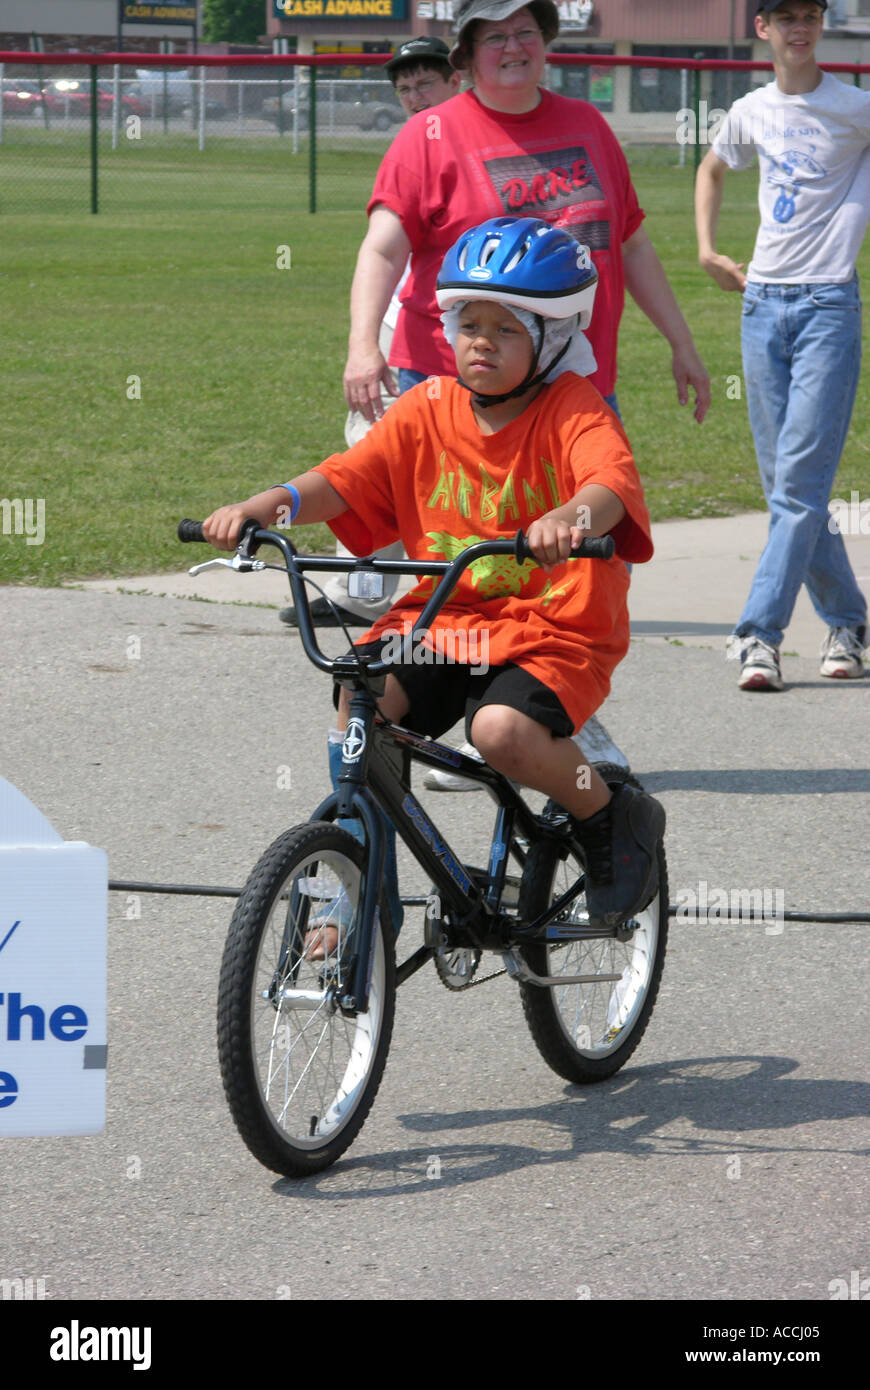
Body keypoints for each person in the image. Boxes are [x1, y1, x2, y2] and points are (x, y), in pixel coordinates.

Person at [202, 216, 666, 955]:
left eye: (505, 330)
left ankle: (612, 818)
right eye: (468, 323)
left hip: (553, 623)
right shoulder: (426, 409)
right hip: (446, 618)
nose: (480, 341)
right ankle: (361, 889)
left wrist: (567, 518)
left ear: (553, 337)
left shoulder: (574, 407)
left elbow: (609, 483)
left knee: (501, 733)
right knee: (363, 696)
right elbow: (346, 480)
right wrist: (269, 506)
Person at [343, 0, 711, 778]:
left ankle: (540, 715)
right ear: (467, 56)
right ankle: (471, 712)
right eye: (493, 37)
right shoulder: (430, 133)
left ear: (545, 44)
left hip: (570, 388)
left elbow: (631, 239)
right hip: (453, 389)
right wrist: (360, 347)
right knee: (465, 566)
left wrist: (680, 340)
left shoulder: (588, 125)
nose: (513, 48)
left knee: (573, 558)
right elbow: (383, 247)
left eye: (526, 34)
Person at [696, 0, 868, 690]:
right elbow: (712, 169)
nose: (800, 27)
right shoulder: (750, 109)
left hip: (830, 303)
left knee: (796, 484)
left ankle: (758, 634)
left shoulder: (855, 107)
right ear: (762, 28)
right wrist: (708, 250)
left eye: (811, 14)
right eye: (784, 16)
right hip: (762, 304)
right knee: (789, 487)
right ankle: (850, 621)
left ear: (822, 25)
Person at [279, 38, 461, 631]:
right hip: (397, 328)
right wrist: (365, 343)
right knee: (368, 454)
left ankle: (470, 591)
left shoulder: (470, 144)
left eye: (425, 84)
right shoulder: (410, 145)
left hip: (458, 334)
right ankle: (360, 591)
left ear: (456, 81)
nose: (413, 98)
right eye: (404, 89)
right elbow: (380, 253)